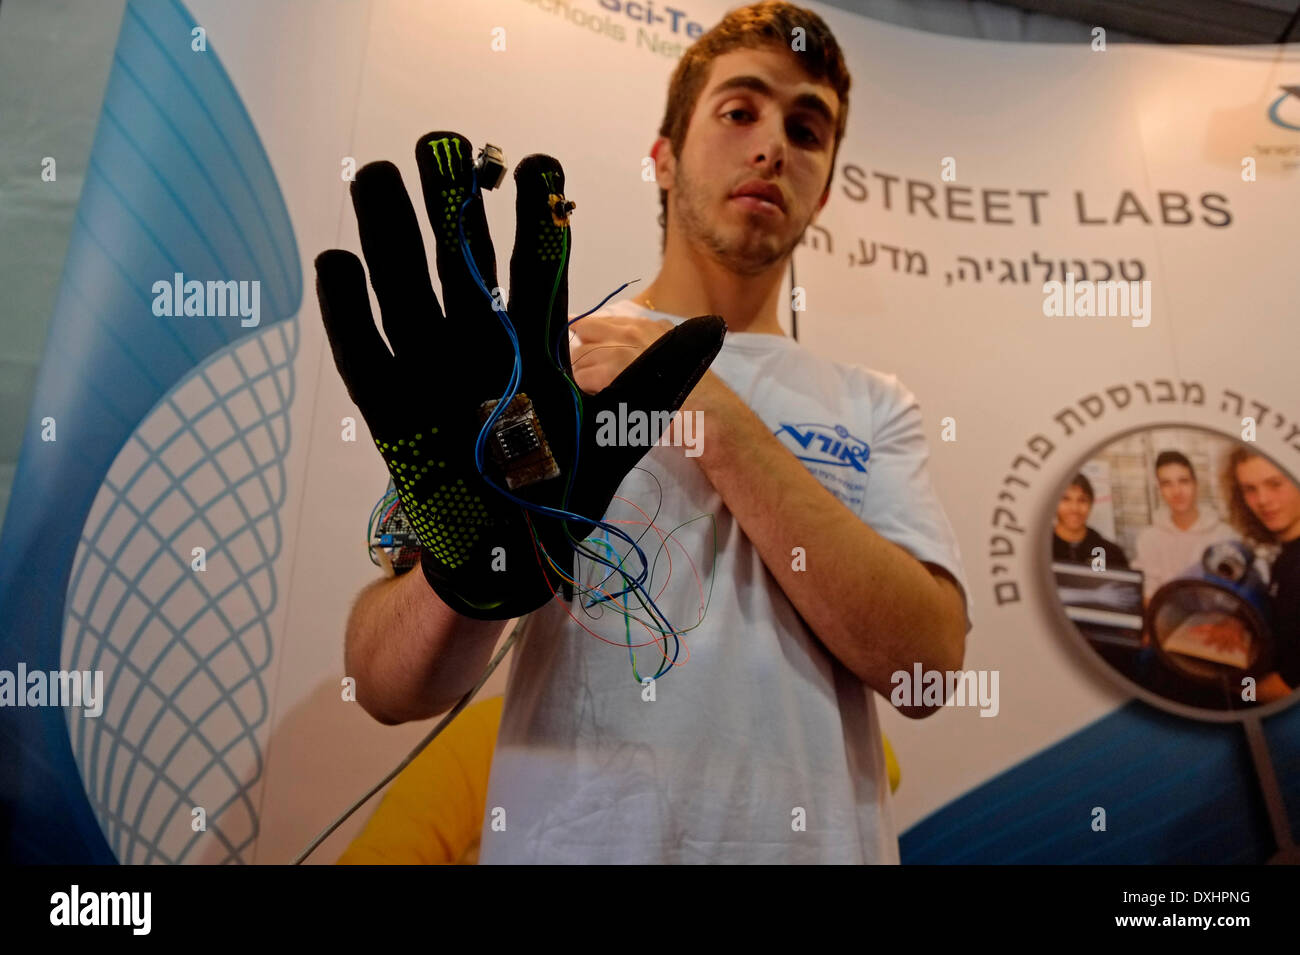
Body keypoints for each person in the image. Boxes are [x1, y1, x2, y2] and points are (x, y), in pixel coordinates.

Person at [340, 1, 970, 864]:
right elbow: (381, 681)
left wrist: (716, 416)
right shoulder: (545, 365)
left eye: (807, 127)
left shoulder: (872, 404)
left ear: (822, 191)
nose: (772, 145)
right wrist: (468, 571)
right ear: (664, 158)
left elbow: (926, 669)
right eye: (739, 110)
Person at [1221, 446, 1300, 704]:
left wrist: (1223, 686)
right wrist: (1242, 624)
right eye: (1250, 489)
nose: (1263, 500)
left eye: (1275, 484)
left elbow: (1289, 688)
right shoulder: (1286, 555)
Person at [1131, 450, 1237, 604]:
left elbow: (1233, 594)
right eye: (1167, 484)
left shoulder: (1224, 535)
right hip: (1165, 619)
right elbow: (1147, 592)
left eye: (1183, 481)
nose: (1177, 491)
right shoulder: (1148, 538)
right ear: (1160, 489)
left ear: (1195, 484)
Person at [1051, 472, 1129, 569]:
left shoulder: (1111, 553)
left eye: (1082, 500)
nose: (1074, 508)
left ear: (1091, 504)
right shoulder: (1039, 548)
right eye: (1066, 499)